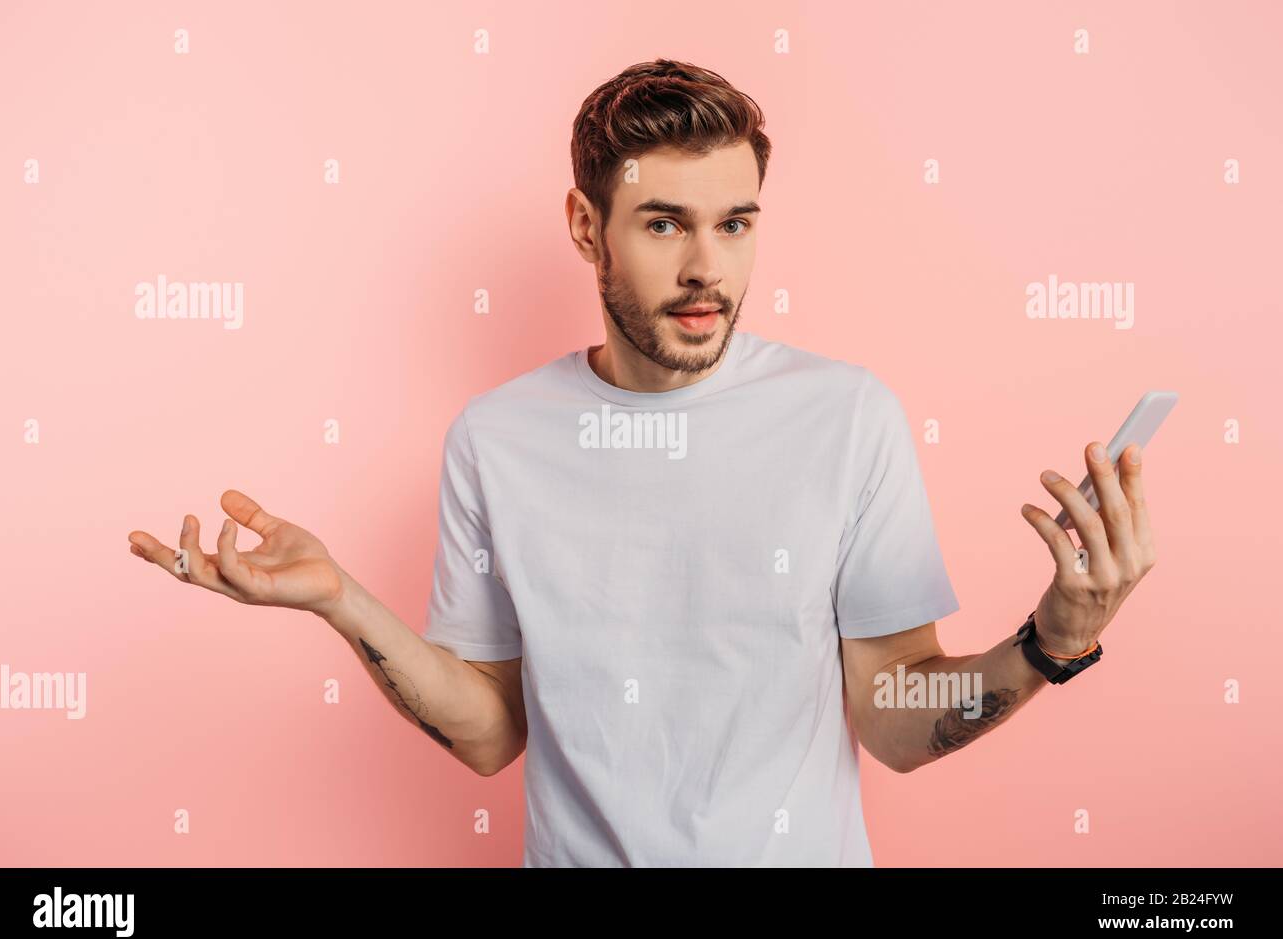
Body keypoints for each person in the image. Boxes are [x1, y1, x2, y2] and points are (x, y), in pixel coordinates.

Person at [128, 58, 1157, 867]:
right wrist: (341, 601)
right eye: (664, 224)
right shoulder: (497, 439)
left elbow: (891, 722)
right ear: (588, 228)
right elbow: (490, 734)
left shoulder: (844, 417)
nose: (707, 267)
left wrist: (1049, 643)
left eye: (735, 224)